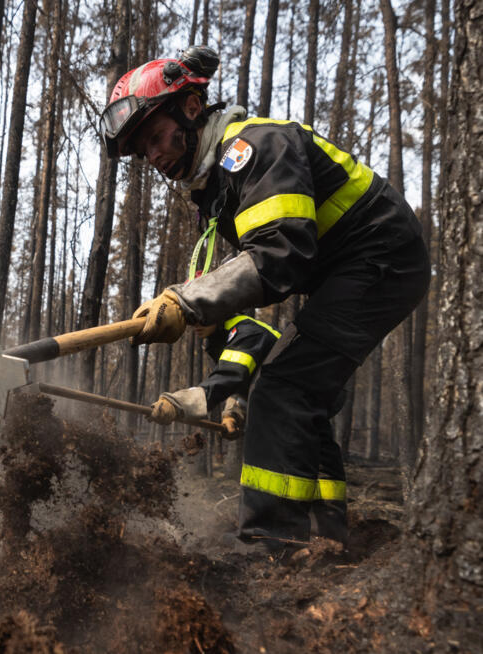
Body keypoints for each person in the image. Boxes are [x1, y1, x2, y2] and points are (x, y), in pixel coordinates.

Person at [100, 46, 430, 551]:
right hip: (360, 266)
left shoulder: (256, 147)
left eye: (155, 136)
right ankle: (323, 532)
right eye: (143, 150)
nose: (154, 156)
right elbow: (267, 277)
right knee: (301, 391)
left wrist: (185, 300)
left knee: (285, 388)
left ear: (191, 108)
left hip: (381, 257)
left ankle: (271, 544)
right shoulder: (220, 184)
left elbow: (280, 252)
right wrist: (222, 384)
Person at [148, 313, 280, 440]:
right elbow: (248, 383)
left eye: (203, 316)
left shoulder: (248, 333)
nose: (196, 324)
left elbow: (230, 377)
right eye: (192, 319)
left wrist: (178, 403)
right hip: (278, 415)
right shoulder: (223, 338)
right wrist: (233, 414)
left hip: (286, 415)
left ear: (219, 310)